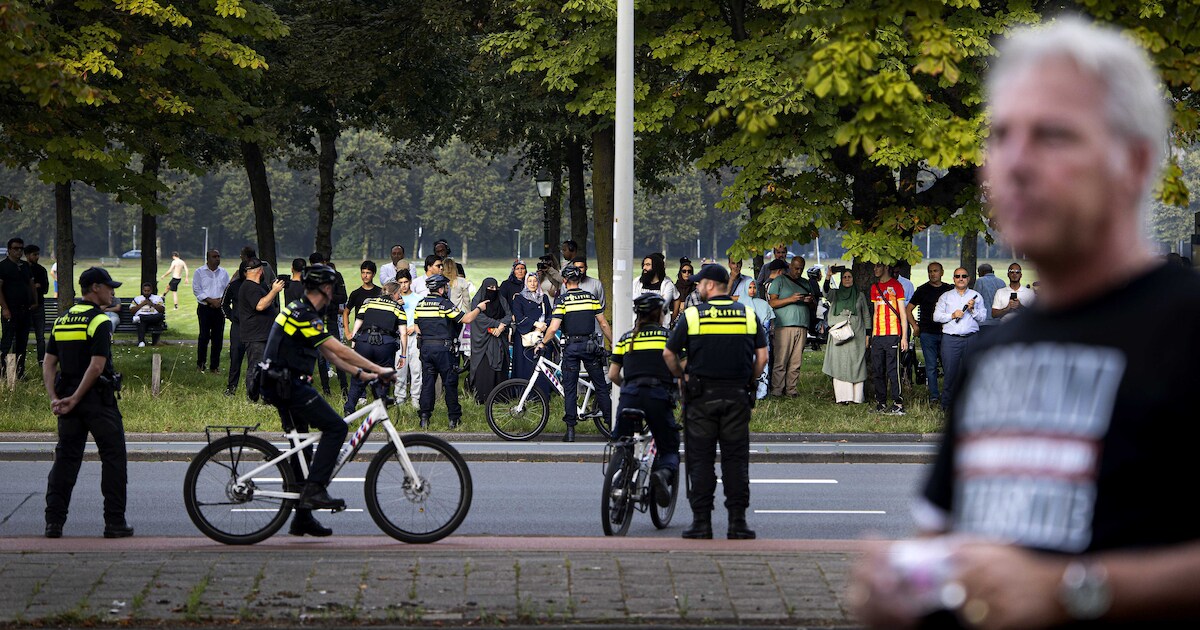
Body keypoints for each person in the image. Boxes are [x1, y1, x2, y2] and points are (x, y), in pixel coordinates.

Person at [853, 19, 1200, 629]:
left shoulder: (1186, 328)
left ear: (1135, 161)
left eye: (1053, 136)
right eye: (1002, 135)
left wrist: (1077, 591)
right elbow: (948, 542)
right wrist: (907, 590)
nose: (1014, 162)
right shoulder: (995, 350)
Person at [260, 265, 393, 537]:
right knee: (336, 428)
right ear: (325, 289)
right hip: (288, 385)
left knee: (302, 451)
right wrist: (379, 370)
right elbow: (338, 347)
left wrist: (361, 373)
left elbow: (328, 354)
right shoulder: (304, 313)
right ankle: (316, 490)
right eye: (333, 288)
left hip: (281, 382)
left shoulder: (301, 309)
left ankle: (302, 518)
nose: (335, 293)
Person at [663, 264, 767, 540]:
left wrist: (682, 378)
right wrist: (749, 381)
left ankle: (702, 523)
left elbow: (669, 354)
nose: (697, 287)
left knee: (701, 460)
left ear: (710, 285)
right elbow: (763, 357)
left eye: (699, 283)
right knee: (735, 460)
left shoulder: (693, 315)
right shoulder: (747, 314)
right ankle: (737, 523)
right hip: (736, 396)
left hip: (700, 398)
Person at [42, 267, 131, 539]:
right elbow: (96, 366)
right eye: (108, 286)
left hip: (68, 397)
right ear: (94, 288)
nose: (112, 291)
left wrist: (56, 398)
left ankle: (54, 523)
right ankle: (114, 523)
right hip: (96, 399)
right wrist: (77, 397)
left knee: (66, 460)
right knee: (113, 458)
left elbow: (48, 363)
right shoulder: (99, 321)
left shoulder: (63, 320)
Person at [607, 293, 680, 507]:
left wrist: (629, 387)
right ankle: (662, 474)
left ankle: (621, 477)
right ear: (660, 314)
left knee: (623, 441)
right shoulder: (669, 338)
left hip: (630, 396)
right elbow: (682, 369)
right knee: (669, 445)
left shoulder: (626, 338)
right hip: (658, 396)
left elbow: (612, 375)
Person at [535, 265, 613, 442]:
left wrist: (542, 343)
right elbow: (603, 324)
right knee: (600, 386)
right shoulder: (591, 298)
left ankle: (570, 431)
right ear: (578, 280)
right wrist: (614, 344)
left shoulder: (562, 300)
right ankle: (611, 427)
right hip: (590, 347)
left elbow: (554, 327)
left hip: (571, 348)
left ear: (564, 281)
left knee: (570, 389)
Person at [412, 273, 489, 428]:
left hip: (426, 348)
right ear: (440, 289)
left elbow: (416, 327)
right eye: (445, 287)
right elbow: (466, 319)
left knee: (427, 383)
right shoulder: (444, 304)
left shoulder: (420, 304)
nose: (446, 289)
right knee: (450, 383)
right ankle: (454, 418)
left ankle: (424, 418)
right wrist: (479, 309)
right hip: (444, 349)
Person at [345, 280, 408, 415]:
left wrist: (353, 343)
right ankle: (379, 413)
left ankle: (349, 409)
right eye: (399, 294)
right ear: (395, 293)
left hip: (364, 342)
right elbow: (403, 333)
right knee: (383, 379)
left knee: (358, 378)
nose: (400, 297)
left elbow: (358, 323)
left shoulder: (368, 303)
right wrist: (403, 355)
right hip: (385, 345)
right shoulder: (397, 308)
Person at [932, 267, 985, 412]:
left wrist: (972, 310)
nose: (961, 278)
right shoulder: (946, 296)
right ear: (953, 279)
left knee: (971, 372)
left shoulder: (976, 296)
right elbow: (936, 317)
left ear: (968, 279)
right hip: (951, 340)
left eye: (964, 276)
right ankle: (947, 405)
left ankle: (970, 405)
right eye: (957, 276)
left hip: (971, 338)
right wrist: (952, 315)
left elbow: (983, 318)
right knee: (950, 373)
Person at [906, 262, 953, 405]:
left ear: (942, 272)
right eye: (930, 271)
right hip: (927, 333)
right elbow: (908, 309)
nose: (933, 274)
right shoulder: (922, 290)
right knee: (931, 366)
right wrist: (915, 326)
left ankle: (949, 395)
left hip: (946, 332)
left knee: (948, 366)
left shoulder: (949, 289)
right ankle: (934, 396)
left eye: (935, 271)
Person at [767, 255, 814, 397]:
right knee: (781, 359)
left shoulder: (805, 283)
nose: (798, 271)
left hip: (802, 325)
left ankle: (791, 389)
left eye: (801, 269)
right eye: (796, 268)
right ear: (790, 267)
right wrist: (791, 299)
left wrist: (810, 301)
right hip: (784, 326)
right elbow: (772, 303)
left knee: (796, 360)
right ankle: (777, 390)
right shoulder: (780, 281)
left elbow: (813, 306)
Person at [822, 269, 870, 404]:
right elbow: (825, 292)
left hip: (857, 335)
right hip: (839, 336)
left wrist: (868, 335)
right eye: (844, 277)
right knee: (840, 364)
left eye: (850, 277)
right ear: (841, 280)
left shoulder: (859, 296)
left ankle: (857, 398)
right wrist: (828, 276)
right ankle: (843, 398)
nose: (847, 279)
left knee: (856, 364)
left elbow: (866, 315)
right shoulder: (835, 294)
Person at [238, 258, 284, 397]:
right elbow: (260, 305)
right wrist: (274, 291)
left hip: (263, 334)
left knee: (266, 367)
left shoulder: (259, 286)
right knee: (256, 367)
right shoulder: (249, 287)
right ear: (260, 271)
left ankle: (265, 395)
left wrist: (271, 289)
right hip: (255, 336)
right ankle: (253, 397)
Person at [868, 262, 909, 414]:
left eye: (878, 266)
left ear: (885, 267)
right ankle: (881, 403)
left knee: (893, 370)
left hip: (893, 334)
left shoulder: (896, 286)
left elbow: (903, 314)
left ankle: (898, 403)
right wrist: (873, 335)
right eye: (874, 267)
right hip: (878, 334)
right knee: (878, 370)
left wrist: (904, 337)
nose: (875, 269)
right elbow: (875, 312)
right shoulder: (874, 287)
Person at [308, 252, 349, 398]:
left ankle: (344, 388)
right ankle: (326, 391)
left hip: (331, 318)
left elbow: (343, 297)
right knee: (321, 357)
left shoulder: (335, 276)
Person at [468, 278, 511, 403]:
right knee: (484, 368)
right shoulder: (477, 300)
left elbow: (509, 314)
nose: (493, 290)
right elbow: (478, 317)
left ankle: (500, 397)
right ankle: (483, 397)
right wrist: (499, 324)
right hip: (484, 341)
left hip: (500, 339)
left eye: (495, 288)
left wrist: (501, 327)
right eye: (490, 288)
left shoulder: (501, 298)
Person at [1, 237, 38, 380]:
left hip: (25, 309)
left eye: (21, 249)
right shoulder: (3, 266)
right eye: (16, 248)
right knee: (7, 342)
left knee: (22, 343)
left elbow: (31, 284)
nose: (19, 251)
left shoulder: (25, 266)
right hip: (10, 309)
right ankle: (6, 374)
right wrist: (5, 308)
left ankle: (20, 373)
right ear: (9, 250)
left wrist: (35, 301)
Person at [511, 271, 552, 390]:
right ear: (526, 282)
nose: (532, 283)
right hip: (525, 337)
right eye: (530, 281)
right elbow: (518, 316)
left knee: (541, 362)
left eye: (535, 281)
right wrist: (534, 324)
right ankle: (525, 392)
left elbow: (550, 315)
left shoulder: (543, 297)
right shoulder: (519, 298)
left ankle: (542, 392)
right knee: (525, 365)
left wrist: (544, 325)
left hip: (541, 335)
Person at [192, 249, 228, 373]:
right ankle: (201, 364)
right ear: (208, 258)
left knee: (218, 338)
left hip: (219, 308)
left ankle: (215, 366)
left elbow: (227, 289)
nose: (217, 259)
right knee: (204, 337)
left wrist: (220, 301)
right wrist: (210, 301)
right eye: (214, 256)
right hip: (205, 308)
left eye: (218, 256)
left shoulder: (223, 273)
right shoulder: (199, 272)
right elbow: (197, 290)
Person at [392, 270, 422, 409]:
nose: (403, 285)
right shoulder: (394, 300)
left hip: (415, 337)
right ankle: (400, 398)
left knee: (416, 370)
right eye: (400, 283)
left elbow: (423, 318)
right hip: (399, 338)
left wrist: (414, 327)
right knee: (400, 370)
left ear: (410, 282)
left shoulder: (418, 298)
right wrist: (396, 304)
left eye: (405, 282)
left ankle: (416, 398)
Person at [744, 279, 775, 399]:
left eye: (754, 287)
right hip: (745, 342)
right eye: (749, 287)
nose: (752, 290)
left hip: (762, 341)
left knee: (762, 365)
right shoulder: (740, 305)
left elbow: (768, 323)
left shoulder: (763, 304)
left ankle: (761, 393)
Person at [221, 261, 248, 396]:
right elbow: (224, 303)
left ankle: (253, 389)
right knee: (235, 357)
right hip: (238, 327)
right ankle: (231, 387)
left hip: (254, 328)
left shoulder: (260, 286)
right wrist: (232, 316)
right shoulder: (234, 285)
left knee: (255, 360)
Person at [632, 255, 678, 325]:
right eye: (644, 265)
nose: (644, 268)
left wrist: (672, 318)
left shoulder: (667, 285)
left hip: (660, 327)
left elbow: (662, 305)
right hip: (639, 326)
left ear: (656, 267)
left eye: (648, 265)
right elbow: (634, 302)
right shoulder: (636, 282)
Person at [343, 260, 381, 340]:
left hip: (377, 334)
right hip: (360, 334)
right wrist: (347, 332)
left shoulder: (380, 292)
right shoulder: (356, 293)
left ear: (373, 274)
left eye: (368, 273)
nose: (365, 276)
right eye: (363, 272)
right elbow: (346, 312)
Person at [25, 244, 49, 364]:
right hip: (25, 307)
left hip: (39, 306)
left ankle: (41, 360)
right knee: (21, 335)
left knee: (40, 337)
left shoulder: (41, 270)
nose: (37, 257)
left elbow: (45, 289)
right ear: (27, 255)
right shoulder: (22, 269)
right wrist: (35, 286)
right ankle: (19, 359)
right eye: (34, 255)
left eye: (38, 254)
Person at [130, 282, 166, 347]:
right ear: (142, 290)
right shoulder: (137, 299)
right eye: (145, 291)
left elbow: (162, 310)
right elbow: (132, 311)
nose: (146, 292)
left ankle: (141, 318)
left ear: (151, 291)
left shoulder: (157, 298)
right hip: (142, 318)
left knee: (160, 316)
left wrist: (151, 304)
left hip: (154, 318)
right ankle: (141, 342)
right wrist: (142, 304)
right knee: (140, 322)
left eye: (148, 291)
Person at [973, 262, 1006, 333]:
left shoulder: (980, 281)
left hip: (984, 321)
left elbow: (975, 300)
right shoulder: (1002, 282)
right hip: (999, 321)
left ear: (981, 272)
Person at [671, 258, 696, 324]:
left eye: (689, 271)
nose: (687, 273)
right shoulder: (674, 287)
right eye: (684, 271)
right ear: (680, 272)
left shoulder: (696, 288)